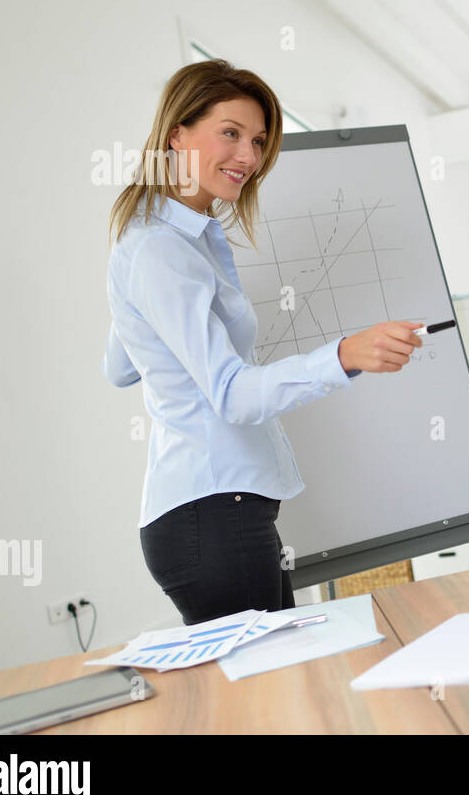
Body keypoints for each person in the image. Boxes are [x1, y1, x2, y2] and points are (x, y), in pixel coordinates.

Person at [105, 59, 425, 625]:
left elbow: (119, 367)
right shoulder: (160, 248)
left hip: (217, 517)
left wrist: (143, 310)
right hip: (211, 520)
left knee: (272, 698)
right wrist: (345, 354)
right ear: (177, 131)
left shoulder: (172, 238)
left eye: (257, 141)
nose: (249, 157)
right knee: (269, 707)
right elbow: (231, 395)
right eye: (230, 133)